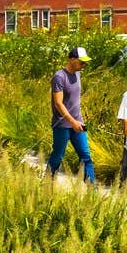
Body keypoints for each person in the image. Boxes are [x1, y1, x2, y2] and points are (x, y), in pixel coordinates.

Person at [47, 47, 95, 182]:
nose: (84, 65)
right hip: (62, 125)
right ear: (72, 59)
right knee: (58, 156)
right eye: (82, 62)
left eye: (85, 62)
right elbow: (58, 103)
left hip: (78, 123)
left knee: (85, 155)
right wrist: (72, 122)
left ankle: (92, 187)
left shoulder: (78, 74)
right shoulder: (59, 77)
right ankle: (47, 182)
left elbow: (74, 99)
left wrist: (78, 120)